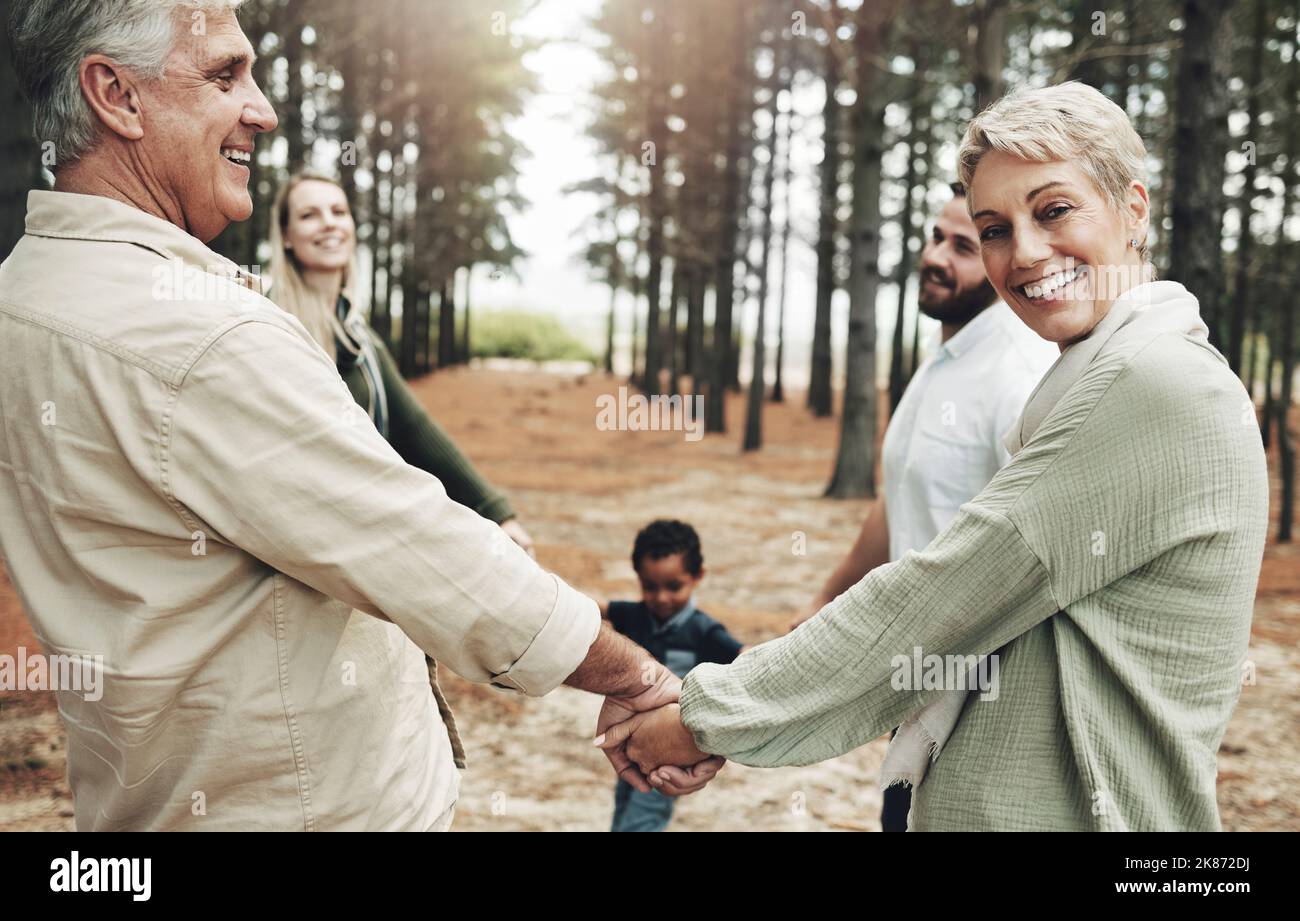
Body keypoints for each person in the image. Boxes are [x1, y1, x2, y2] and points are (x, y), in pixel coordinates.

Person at [0, 0, 717, 830]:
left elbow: (405, 438)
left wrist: (496, 509)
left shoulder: (23, 298)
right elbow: (411, 542)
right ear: (114, 95)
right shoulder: (205, 336)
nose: (263, 110)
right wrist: (633, 676)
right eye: (225, 74)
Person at [601, 81, 1269, 831]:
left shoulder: (1151, 384)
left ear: (1133, 209)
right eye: (993, 228)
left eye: (1053, 210)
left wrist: (703, 714)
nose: (1025, 253)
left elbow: (943, 595)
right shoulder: (1091, 374)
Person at [788, 183, 1057, 830]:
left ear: (1002, 261)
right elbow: (899, 502)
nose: (936, 256)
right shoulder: (947, 358)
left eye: (964, 246)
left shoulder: (1020, 374)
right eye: (937, 236)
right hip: (918, 688)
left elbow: (1034, 556)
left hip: (981, 705)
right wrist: (821, 610)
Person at [266, 172, 534, 768]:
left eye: (338, 210)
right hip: (303, 558)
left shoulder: (353, 333)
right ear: (284, 237)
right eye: (309, 215)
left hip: (361, 546)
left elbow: (415, 429)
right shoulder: (276, 326)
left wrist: (497, 512)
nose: (329, 223)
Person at [601, 520, 746, 832]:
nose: (662, 598)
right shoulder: (634, 615)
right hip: (630, 742)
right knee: (624, 806)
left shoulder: (704, 631)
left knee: (642, 821)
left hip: (670, 752)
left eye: (674, 587)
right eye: (650, 587)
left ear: (697, 577)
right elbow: (590, 609)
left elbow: (745, 657)